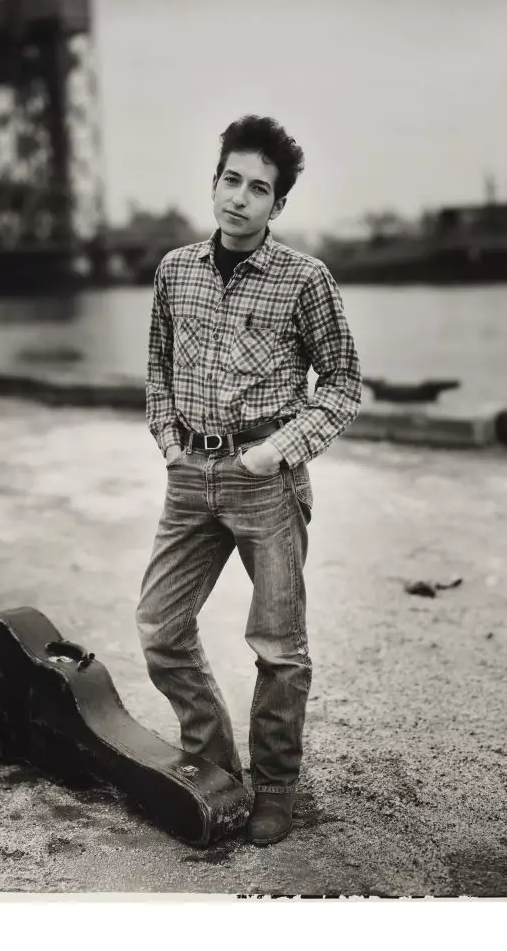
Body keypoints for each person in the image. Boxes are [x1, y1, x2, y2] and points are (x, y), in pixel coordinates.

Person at [136, 114, 362, 846]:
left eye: (257, 188)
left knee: (277, 647)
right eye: (230, 180)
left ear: (278, 204)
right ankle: (212, 761)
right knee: (160, 629)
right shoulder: (175, 270)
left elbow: (343, 382)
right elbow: (158, 369)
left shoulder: (306, 280)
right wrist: (170, 440)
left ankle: (277, 787)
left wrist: (281, 451)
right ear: (214, 182)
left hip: (266, 478)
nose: (239, 198)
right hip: (188, 477)